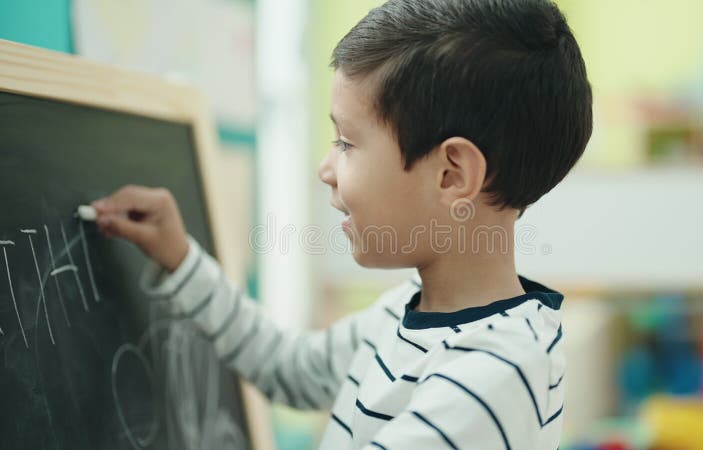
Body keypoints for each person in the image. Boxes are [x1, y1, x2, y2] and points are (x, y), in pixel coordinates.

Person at [92, 0, 592, 448]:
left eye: (347, 143)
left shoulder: (489, 377)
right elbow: (288, 366)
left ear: (451, 174)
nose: (325, 169)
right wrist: (181, 258)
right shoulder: (402, 311)